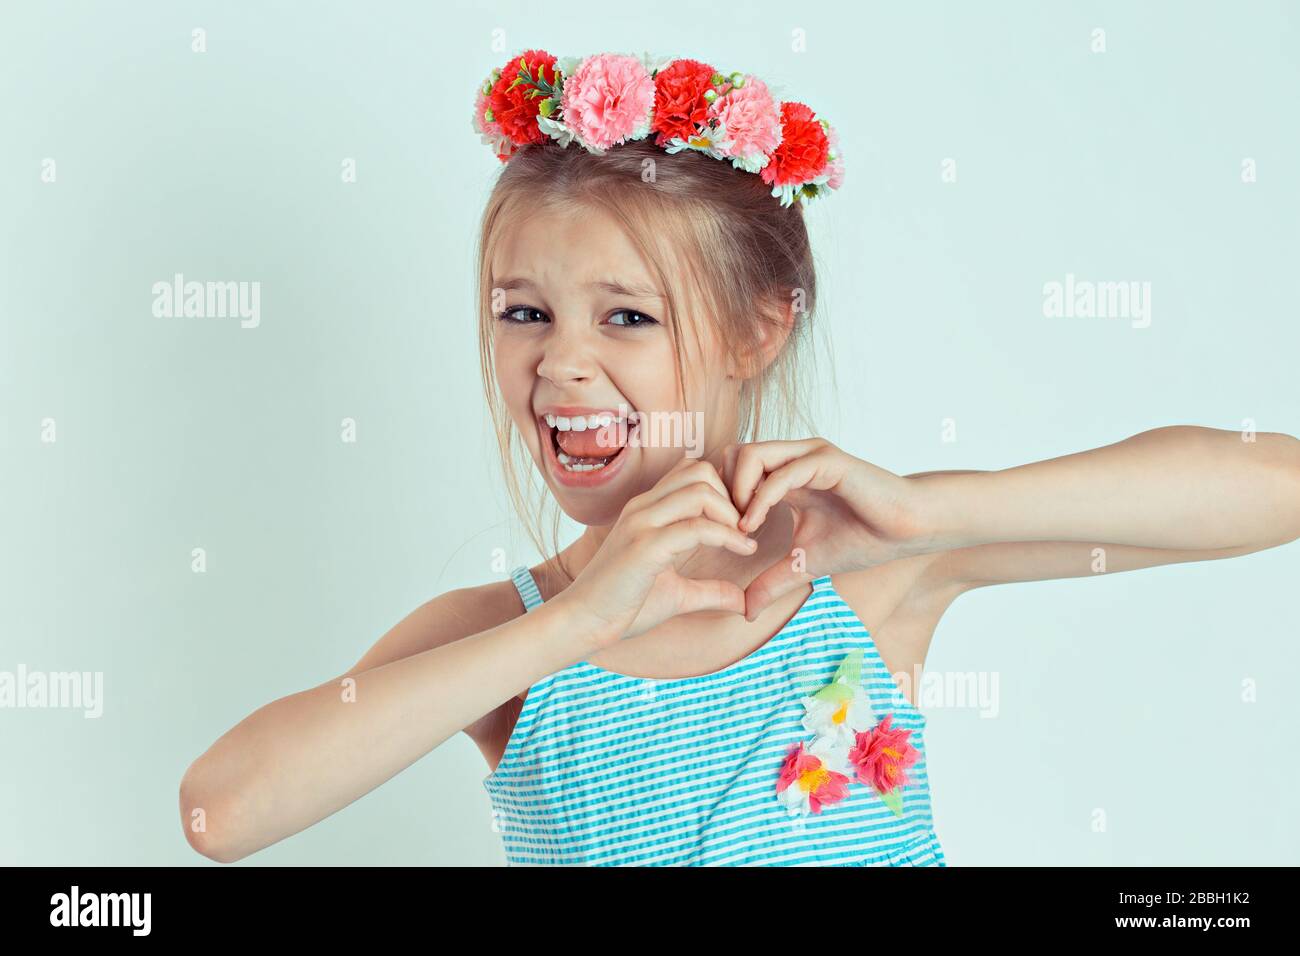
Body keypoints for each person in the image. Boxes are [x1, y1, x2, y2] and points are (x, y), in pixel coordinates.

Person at [179, 49, 1300, 866]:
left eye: (627, 318)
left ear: (757, 330)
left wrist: (930, 507)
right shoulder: (507, 639)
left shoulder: (860, 574)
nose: (562, 366)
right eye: (524, 313)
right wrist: (576, 620)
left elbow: (1274, 488)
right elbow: (221, 813)